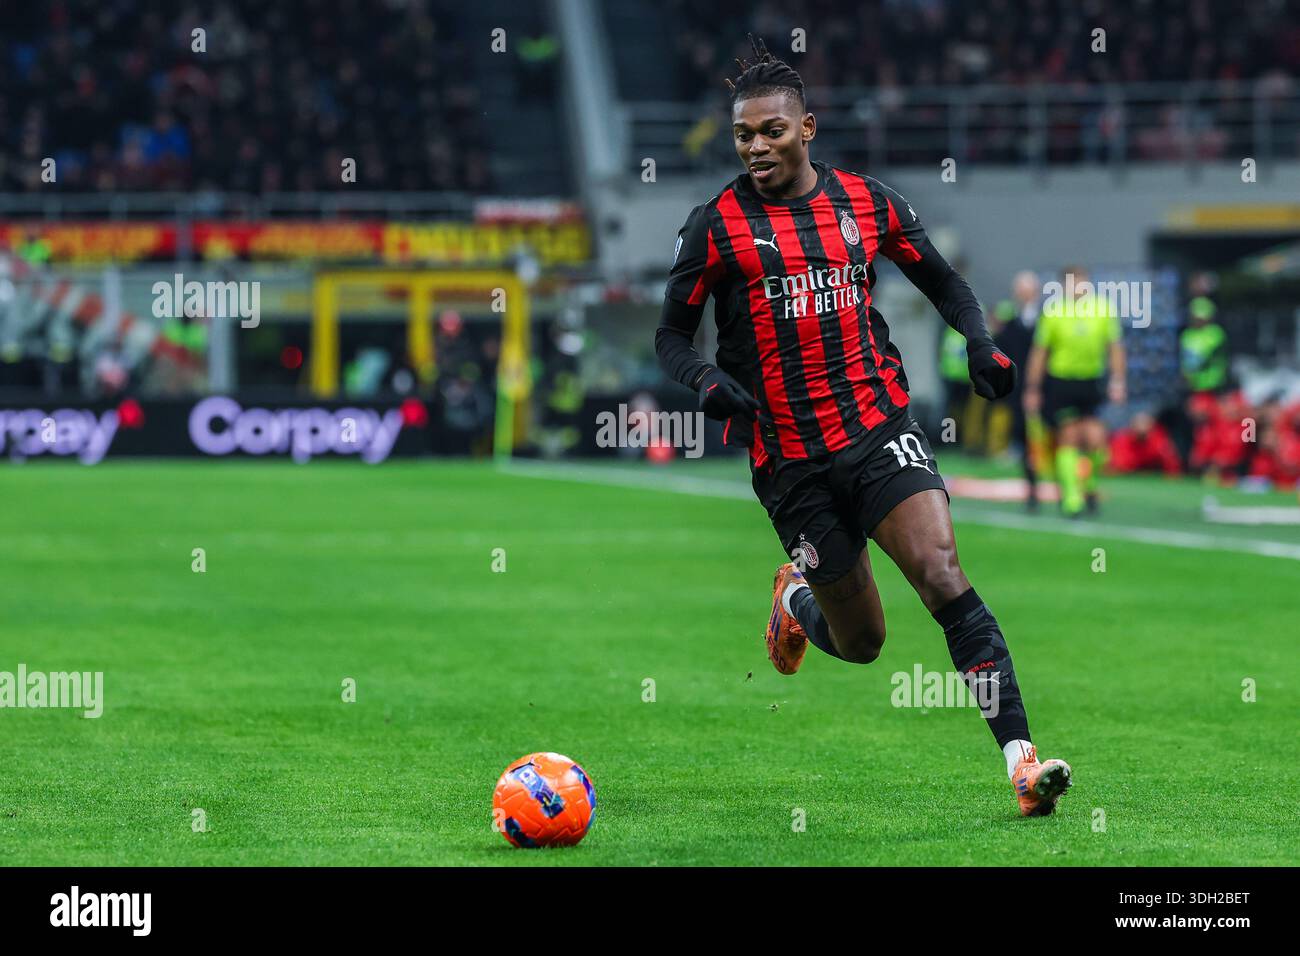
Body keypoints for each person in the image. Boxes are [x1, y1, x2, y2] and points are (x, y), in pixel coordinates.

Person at [654, 37, 1071, 817]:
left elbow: (945, 283)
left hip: (878, 428)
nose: (756, 147)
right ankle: (794, 604)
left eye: (772, 131)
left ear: (806, 128)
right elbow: (670, 337)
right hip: (789, 460)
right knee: (864, 642)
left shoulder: (867, 203)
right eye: (744, 135)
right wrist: (706, 380)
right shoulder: (714, 227)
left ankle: (1022, 764)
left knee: (943, 574)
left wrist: (978, 340)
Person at [1023, 267, 1126, 517]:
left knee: (1096, 440)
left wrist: (1118, 380)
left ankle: (1088, 484)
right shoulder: (1054, 312)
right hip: (1062, 382)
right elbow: (1040, 353)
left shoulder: (1102, 310)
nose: (1077, 287)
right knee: (1068, 437)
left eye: (1081, 282)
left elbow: (1114, 347)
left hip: (1092, 382)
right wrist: (1033, 388)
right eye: (1071, 283)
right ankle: (1071, 499)